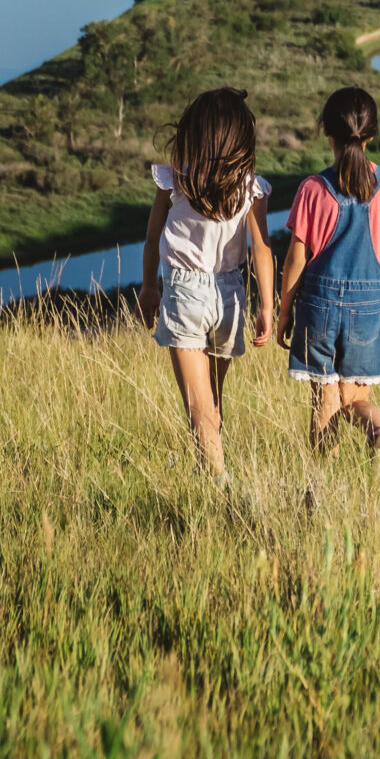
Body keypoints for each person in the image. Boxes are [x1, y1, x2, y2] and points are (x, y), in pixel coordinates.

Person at [276, 85, 380, 464]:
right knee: (357, 399)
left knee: (324, 400)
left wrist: (283, 312)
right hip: (371, 309)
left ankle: (323, 481)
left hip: (319, 308)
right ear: (371, 135)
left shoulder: (312, 188)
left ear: (327, 132)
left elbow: (294, 262)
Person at [138, 87, 275, 478]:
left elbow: (151, 239)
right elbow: (262, 249)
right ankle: (215, 473)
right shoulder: (252, 188)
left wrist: (149, 287)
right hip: (230, 295)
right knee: (213, 402)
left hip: (183, 292)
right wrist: (266, 306)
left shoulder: (175, 180)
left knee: (199, 411)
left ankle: (217, 490)